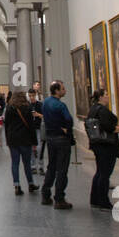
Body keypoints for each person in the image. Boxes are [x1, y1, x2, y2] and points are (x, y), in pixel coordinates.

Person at [40, 81, 75, 209]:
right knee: (62, 169)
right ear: (57, 91)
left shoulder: (45, 103)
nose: (65, 91)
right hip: (61, 139)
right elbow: (69, 120)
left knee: (51, 167)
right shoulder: (61, 105)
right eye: (63, 89)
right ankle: (59, 198)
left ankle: (45, 194)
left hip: (50, 138)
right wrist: (65, 129)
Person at [86, 89, 119, 210]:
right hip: (106, 145)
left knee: (100, 172)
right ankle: (103, 201)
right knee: (105, 173)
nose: (108, 97)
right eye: (106, 95)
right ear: (100, 97)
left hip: (97, 144)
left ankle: (95, 198)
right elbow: (107, 126)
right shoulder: (102, 110)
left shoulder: (93, 109)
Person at [3, 90, 38, 195]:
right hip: (25, 139)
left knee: (15, 163)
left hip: (13, 139)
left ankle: (17, 185)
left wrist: (7, 139)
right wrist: (34, 141)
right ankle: (31, 184)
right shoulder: (27, 108)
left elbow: (7, 125)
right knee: (27, 163)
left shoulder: (9, 108)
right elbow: (31, 126)